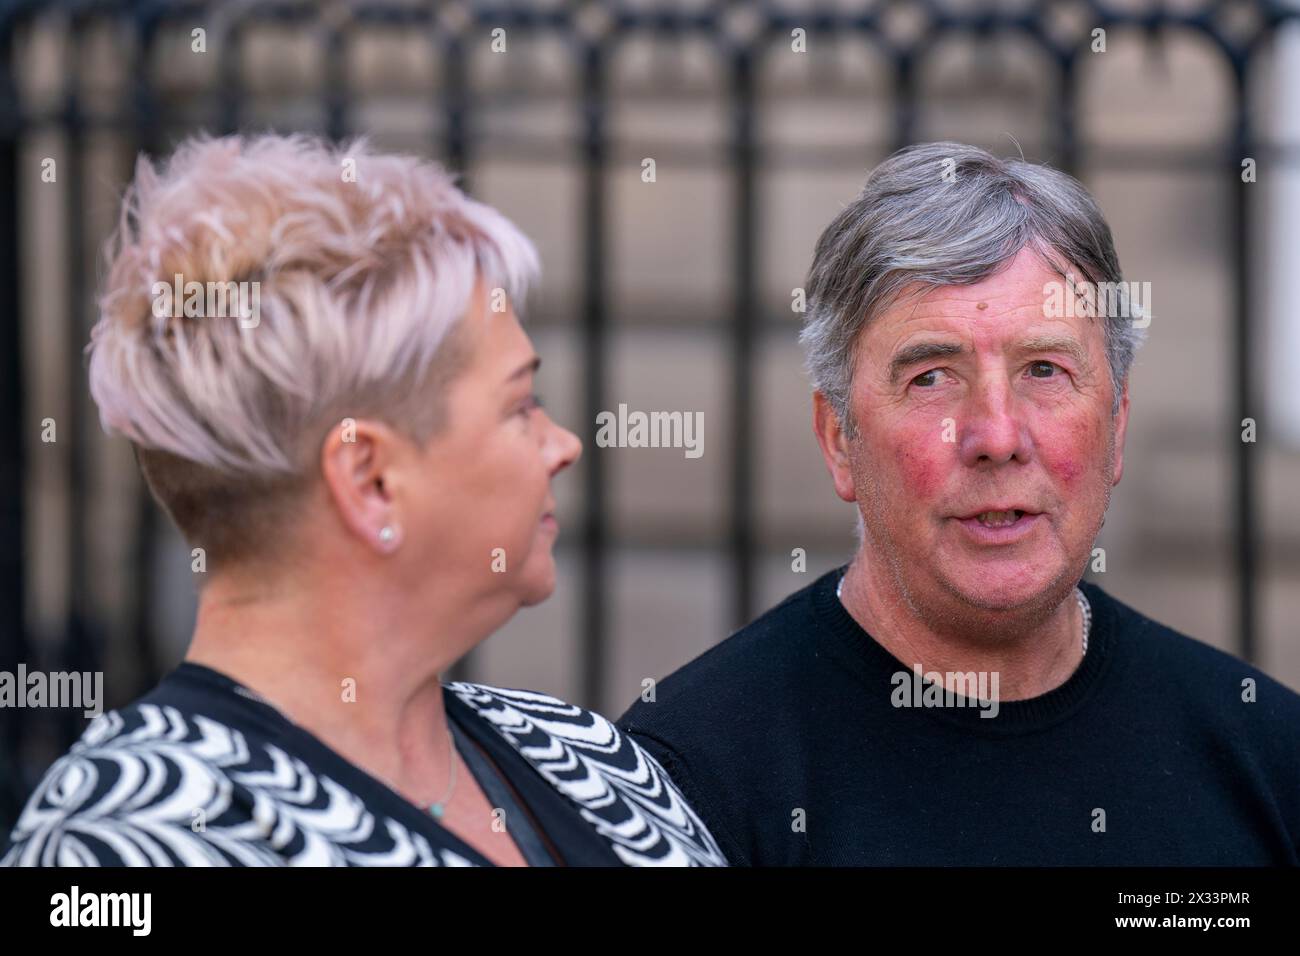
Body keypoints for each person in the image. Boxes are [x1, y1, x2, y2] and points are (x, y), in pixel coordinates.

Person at [2, 133, 726, 867]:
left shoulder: (587, 759)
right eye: (521, 406)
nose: (562, 443)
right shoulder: (126, 838)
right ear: (370, 480)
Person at [618, 141, 1300, 866]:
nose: (996, 436)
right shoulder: (688, 785)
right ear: (839, 439)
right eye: (932, 378)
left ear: (1117, 423)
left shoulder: (1265, 757)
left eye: (1044, 369)